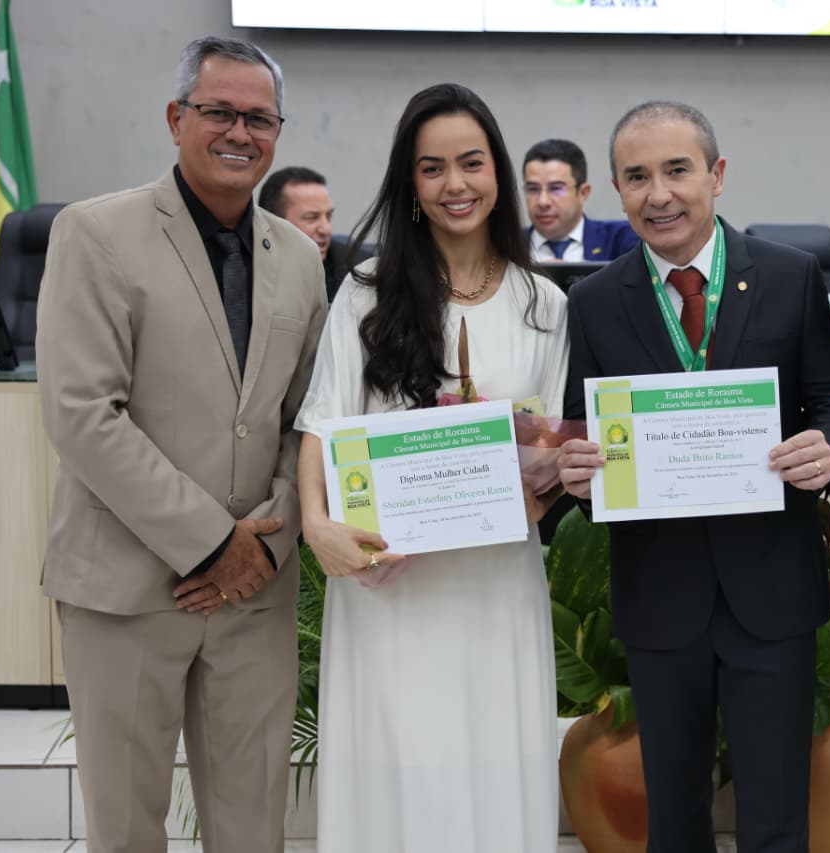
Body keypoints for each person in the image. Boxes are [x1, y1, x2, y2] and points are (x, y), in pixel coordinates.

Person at [35, 36, 327, 853]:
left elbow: (306, 419)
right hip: (130, 587)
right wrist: (210, 543)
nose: (240, 132)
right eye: (219, 112)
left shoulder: (300, 258)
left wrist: (264, 544)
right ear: (176, 118)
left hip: (254, 592)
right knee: (127, 829)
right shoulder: (95, 234)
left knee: (252, 830)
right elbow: (82, 414)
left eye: (259, 118)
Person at [556, 101, 830, 853]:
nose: (658, 193)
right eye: (637, 176)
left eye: (677, 170)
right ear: (617, 192)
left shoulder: (790, 277)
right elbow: (581, 429)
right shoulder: (594, 301)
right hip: (660, 594)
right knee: (676, 814)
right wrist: (579, 469)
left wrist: (828, 445)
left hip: (771, 589)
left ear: (717, 176)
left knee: (777, 814)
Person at [294, 83, 567, 852]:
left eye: (472, 163)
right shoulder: (366, 292)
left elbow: (551, 448)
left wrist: (519, 500)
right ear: (409, 184)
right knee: (397, 765)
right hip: (389, 583)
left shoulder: (544, 303)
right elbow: (321, 420)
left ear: (498, 173)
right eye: (433, 167)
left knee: (494, 757)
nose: (456, 185)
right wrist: (318, 527)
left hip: (494, 580)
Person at [523, 137, 639, 262]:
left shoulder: (622, 238)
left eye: (556, 189)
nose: (543, 202)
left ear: (583, 193)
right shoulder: (504, 246)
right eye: (533, 189)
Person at [259, 165, 345, 300]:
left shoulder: (353, 270)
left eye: (328, 216)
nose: (326, 229)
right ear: (274, 222)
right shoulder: (246, 267)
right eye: (312, 218)